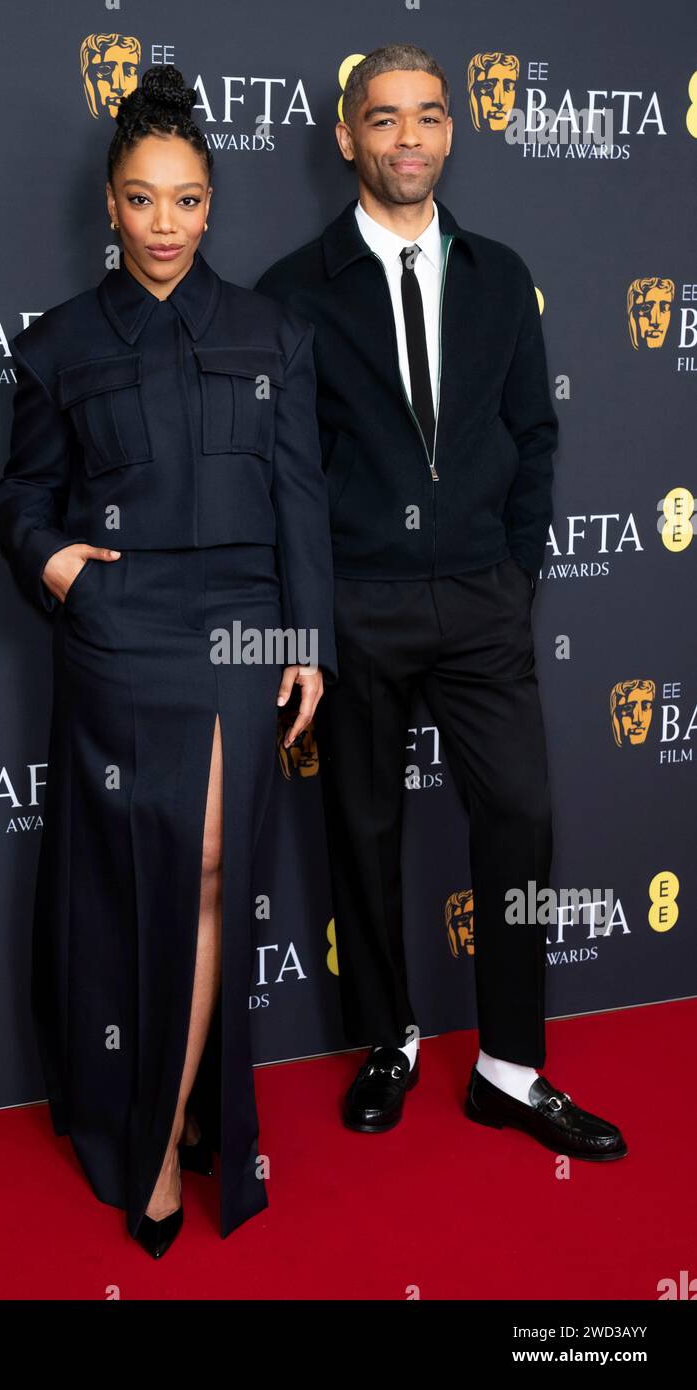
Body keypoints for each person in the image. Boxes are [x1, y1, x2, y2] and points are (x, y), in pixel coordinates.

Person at [0, 64, 338, 1259]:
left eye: (187, 200)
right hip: (120, 628)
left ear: (210, 203)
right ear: (110, 204)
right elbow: (23, 495)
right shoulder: (57, 345)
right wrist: (59, 568)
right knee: (130, 882)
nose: (166, 225)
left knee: (202, 869)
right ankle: (158, 1113)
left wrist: (308, 647)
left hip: (241, 627)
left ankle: (168, 1129)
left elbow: (300, 503)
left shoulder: (271, 333)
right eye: (143, 200)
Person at [255, 44, 627, 1160]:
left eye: (425, 117)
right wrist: (313, 615)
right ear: (344, 136)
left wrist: (513, 573)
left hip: (479, 603)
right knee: (360, 831)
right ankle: (387, 1038)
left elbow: (534, 436)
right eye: (382, 119)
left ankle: (510, 1066)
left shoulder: (500, 276)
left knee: (519, 817)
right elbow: (287, 474)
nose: (406, 138)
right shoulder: (290, 291)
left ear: (450, 131)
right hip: (356, 605)